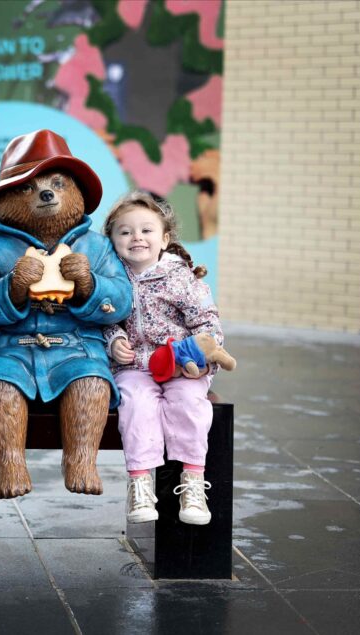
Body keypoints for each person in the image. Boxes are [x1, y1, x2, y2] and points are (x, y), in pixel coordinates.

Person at [102, 191, 225, 526]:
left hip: (181, 366)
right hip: (134, 366)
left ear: (164, 238)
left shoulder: (180, 277)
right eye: (125, 232)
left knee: (189, 405)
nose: (136, 237)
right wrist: (114, 341)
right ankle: (140, 483)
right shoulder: (113, 280)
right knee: (134, 403)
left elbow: (206, 322)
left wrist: (201, 357)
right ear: (112, 239)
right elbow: (103, 318)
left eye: (146, 230)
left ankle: (193, 483)